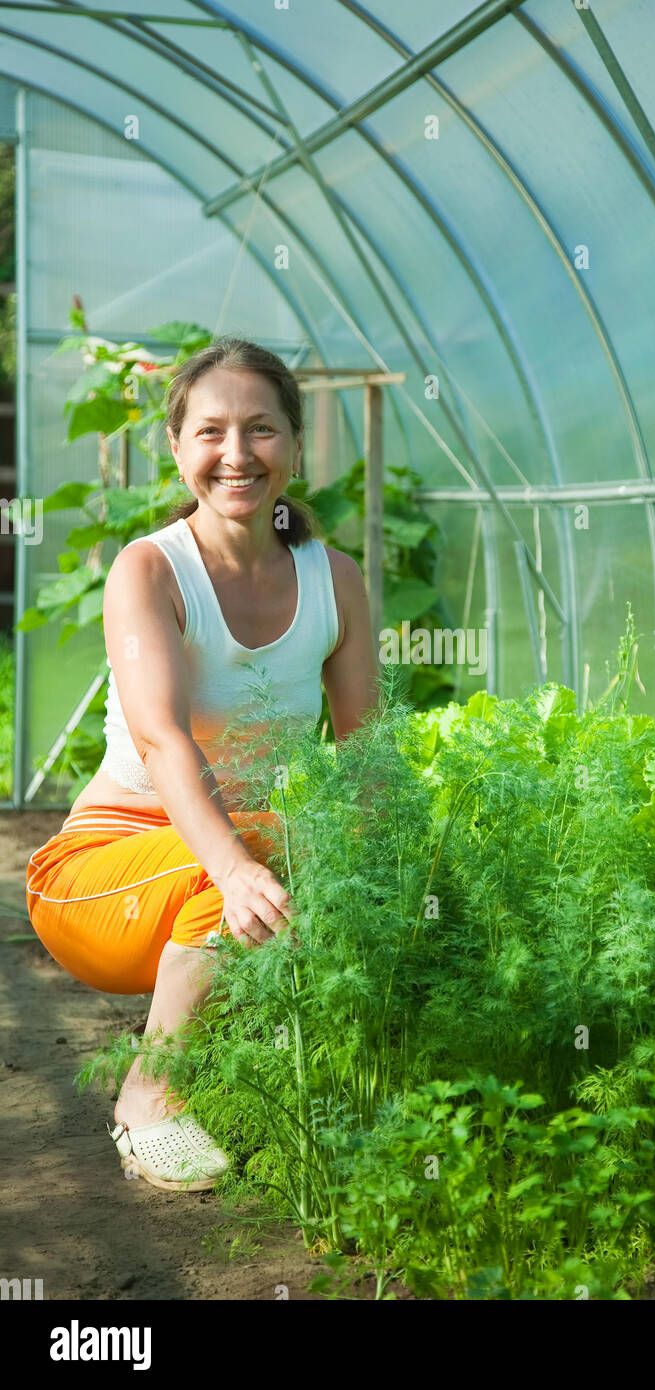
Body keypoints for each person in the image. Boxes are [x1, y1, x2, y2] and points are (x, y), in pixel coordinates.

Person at [25, 337, 380, 1191]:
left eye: (261, 430)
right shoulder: (150, 569)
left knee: (334, 854)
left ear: (295, 446)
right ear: (178, 448)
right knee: (263, 849)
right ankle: (148, 1096)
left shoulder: (336, 579)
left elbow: (368, 751)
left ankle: (265, 1070)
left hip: (231, 868)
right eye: (211, 431)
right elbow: (161, 738)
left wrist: (382, 874)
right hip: (97, 880)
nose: (237, 454)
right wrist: (232, 862)